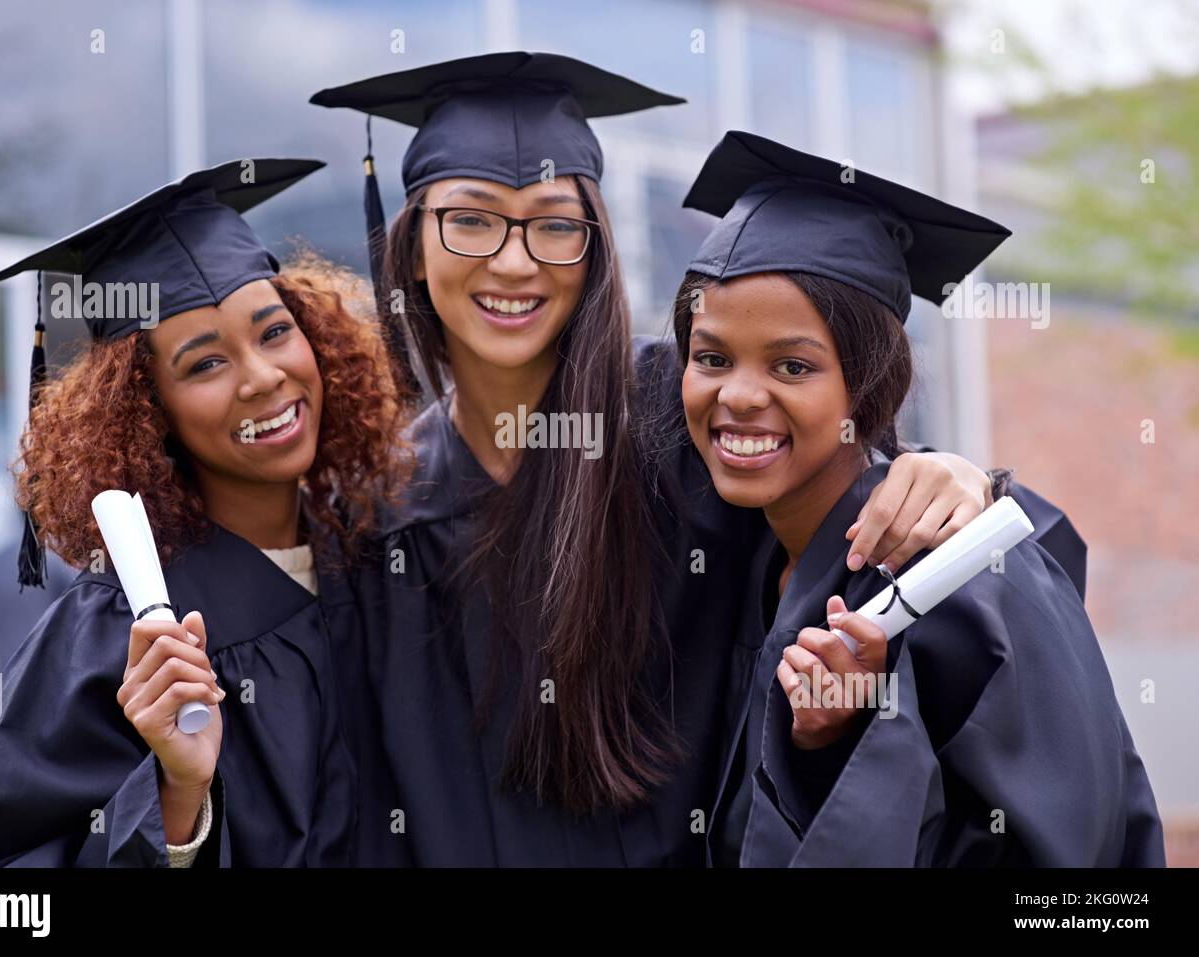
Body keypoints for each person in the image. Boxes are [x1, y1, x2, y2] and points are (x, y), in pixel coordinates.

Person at [311, 53, 1081, 865]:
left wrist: (956, 478)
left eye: (554, 224)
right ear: (411, 244)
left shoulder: (683, 417)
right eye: (469, 219)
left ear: (596, 246)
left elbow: (844, 503)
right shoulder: (374, 501)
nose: (513, 260)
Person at [670, 130, 1164, 866]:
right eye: (710, 357)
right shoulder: (739, 559)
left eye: (793, 366)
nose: (737, 395)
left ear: (868, 387)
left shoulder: (969, 578)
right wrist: (820, 741)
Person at [0, 159, 408, 866]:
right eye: (204, 364)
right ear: (144, 412)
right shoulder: (112, 634)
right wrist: (177, 797)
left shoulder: (375, 562)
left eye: (275, 331)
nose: (262, 377)